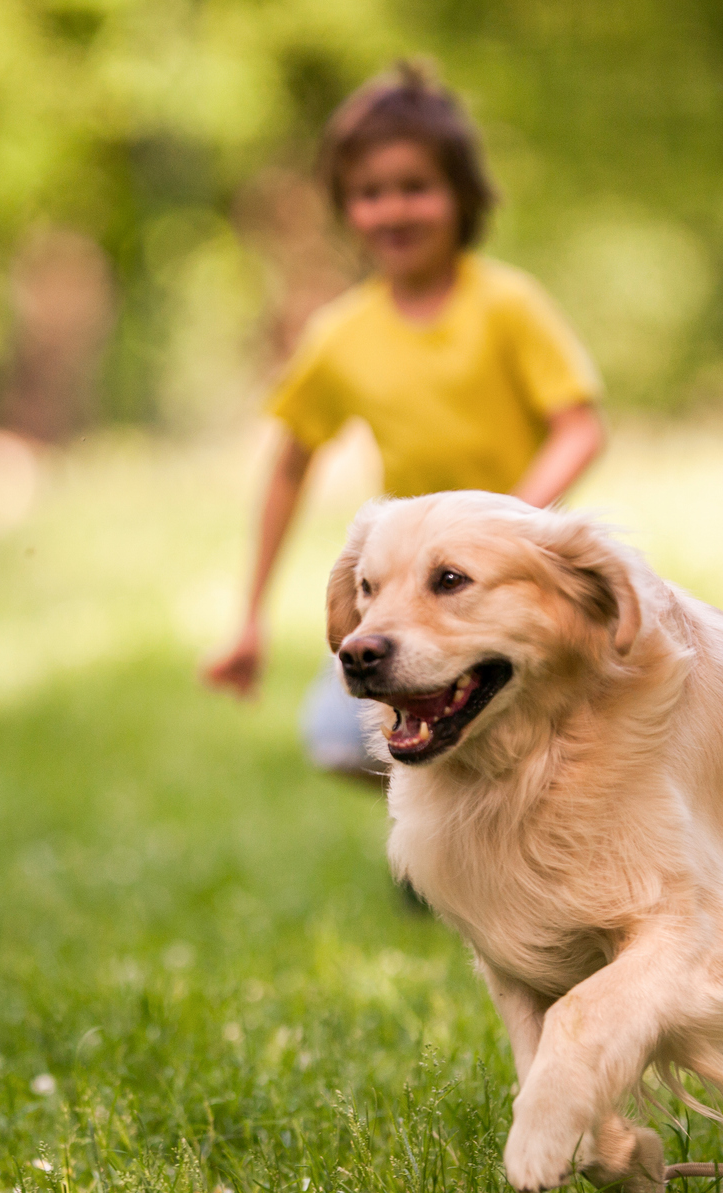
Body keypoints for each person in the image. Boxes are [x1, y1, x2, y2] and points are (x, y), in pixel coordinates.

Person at [201, 61, 606, 777]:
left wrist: (513, 525)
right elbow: (290, 465)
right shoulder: (341, 334)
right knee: (337, 737)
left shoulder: (506, 304)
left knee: (579, 723)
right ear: (346, 207)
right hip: (410, 597)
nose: (393, 210)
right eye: (369, 193)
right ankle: (442, 848)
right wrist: (250, 616)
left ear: (461, 195)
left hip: (513, 581)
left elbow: (579, 426)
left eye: (415, 187)